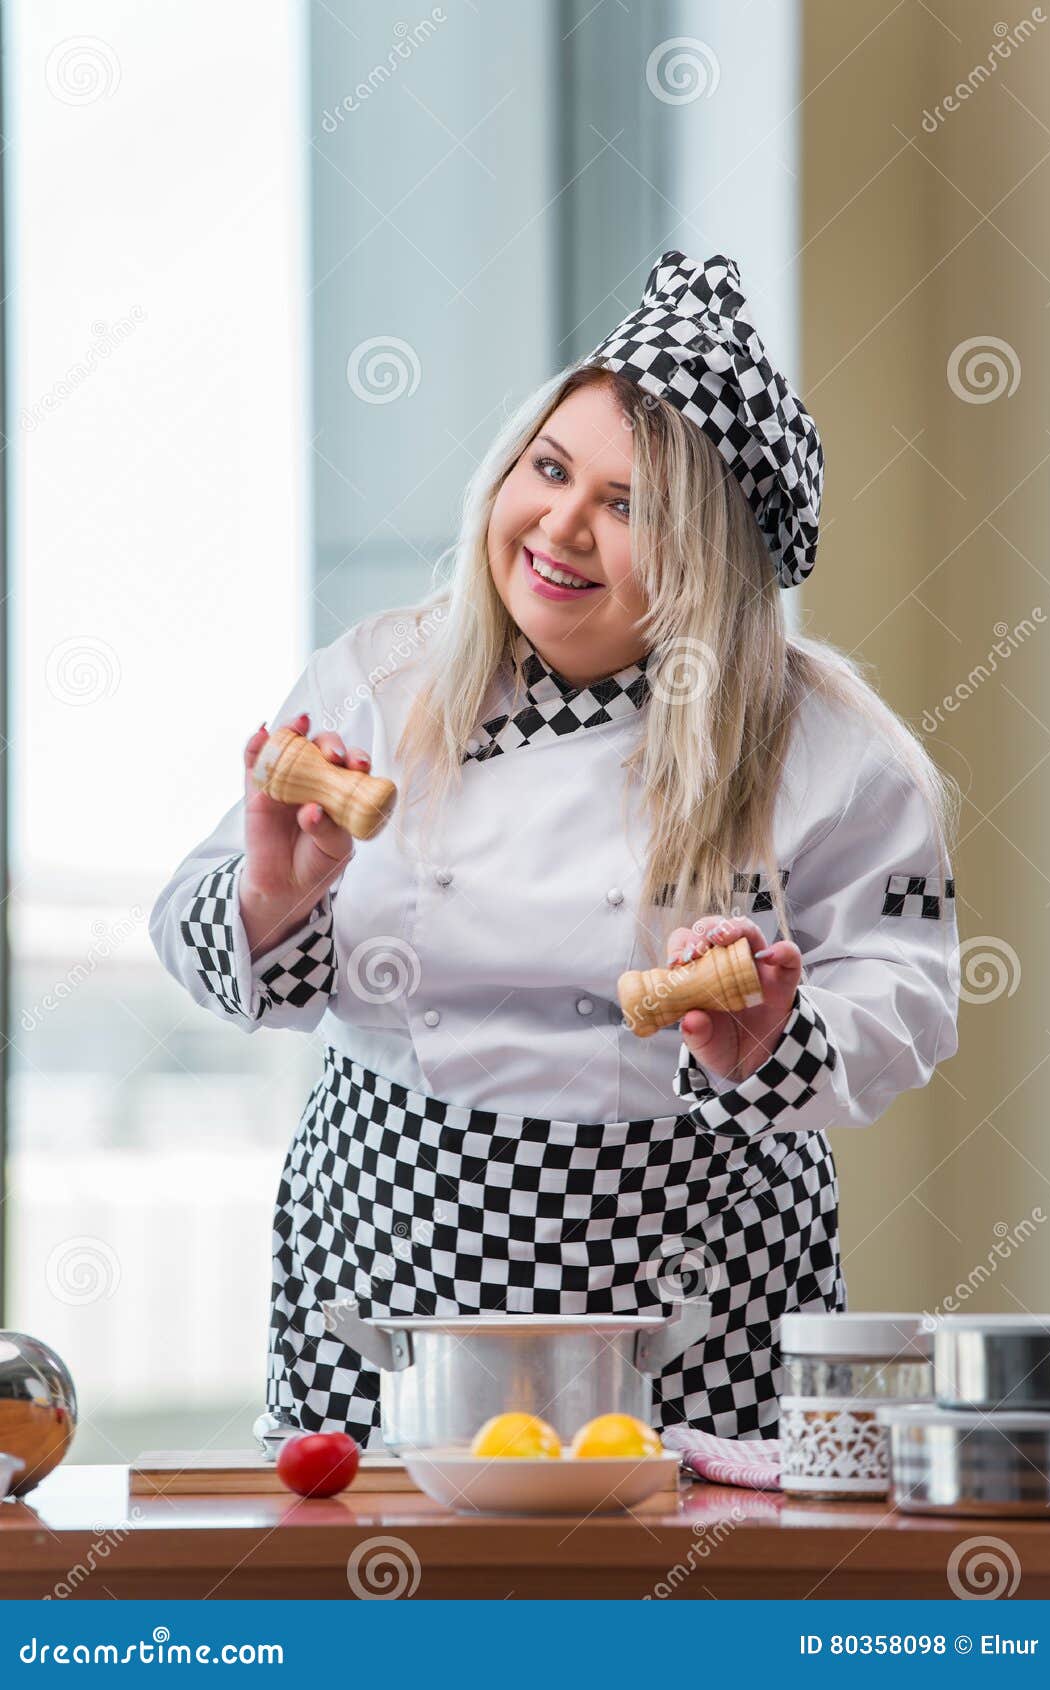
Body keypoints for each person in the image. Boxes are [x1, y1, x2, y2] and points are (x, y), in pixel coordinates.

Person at [150, 251, 960, 1444]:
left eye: (628, 506)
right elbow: (188, 923)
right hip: (391, 1258)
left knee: (681, 1614)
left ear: (715, 564)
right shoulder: (380, 679)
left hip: (693, 1293)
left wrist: (779, 1039)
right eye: (549, 468)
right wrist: (276, 894)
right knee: (385, 1606)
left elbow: (913, 993)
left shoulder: (834, 752)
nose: (562, 525)